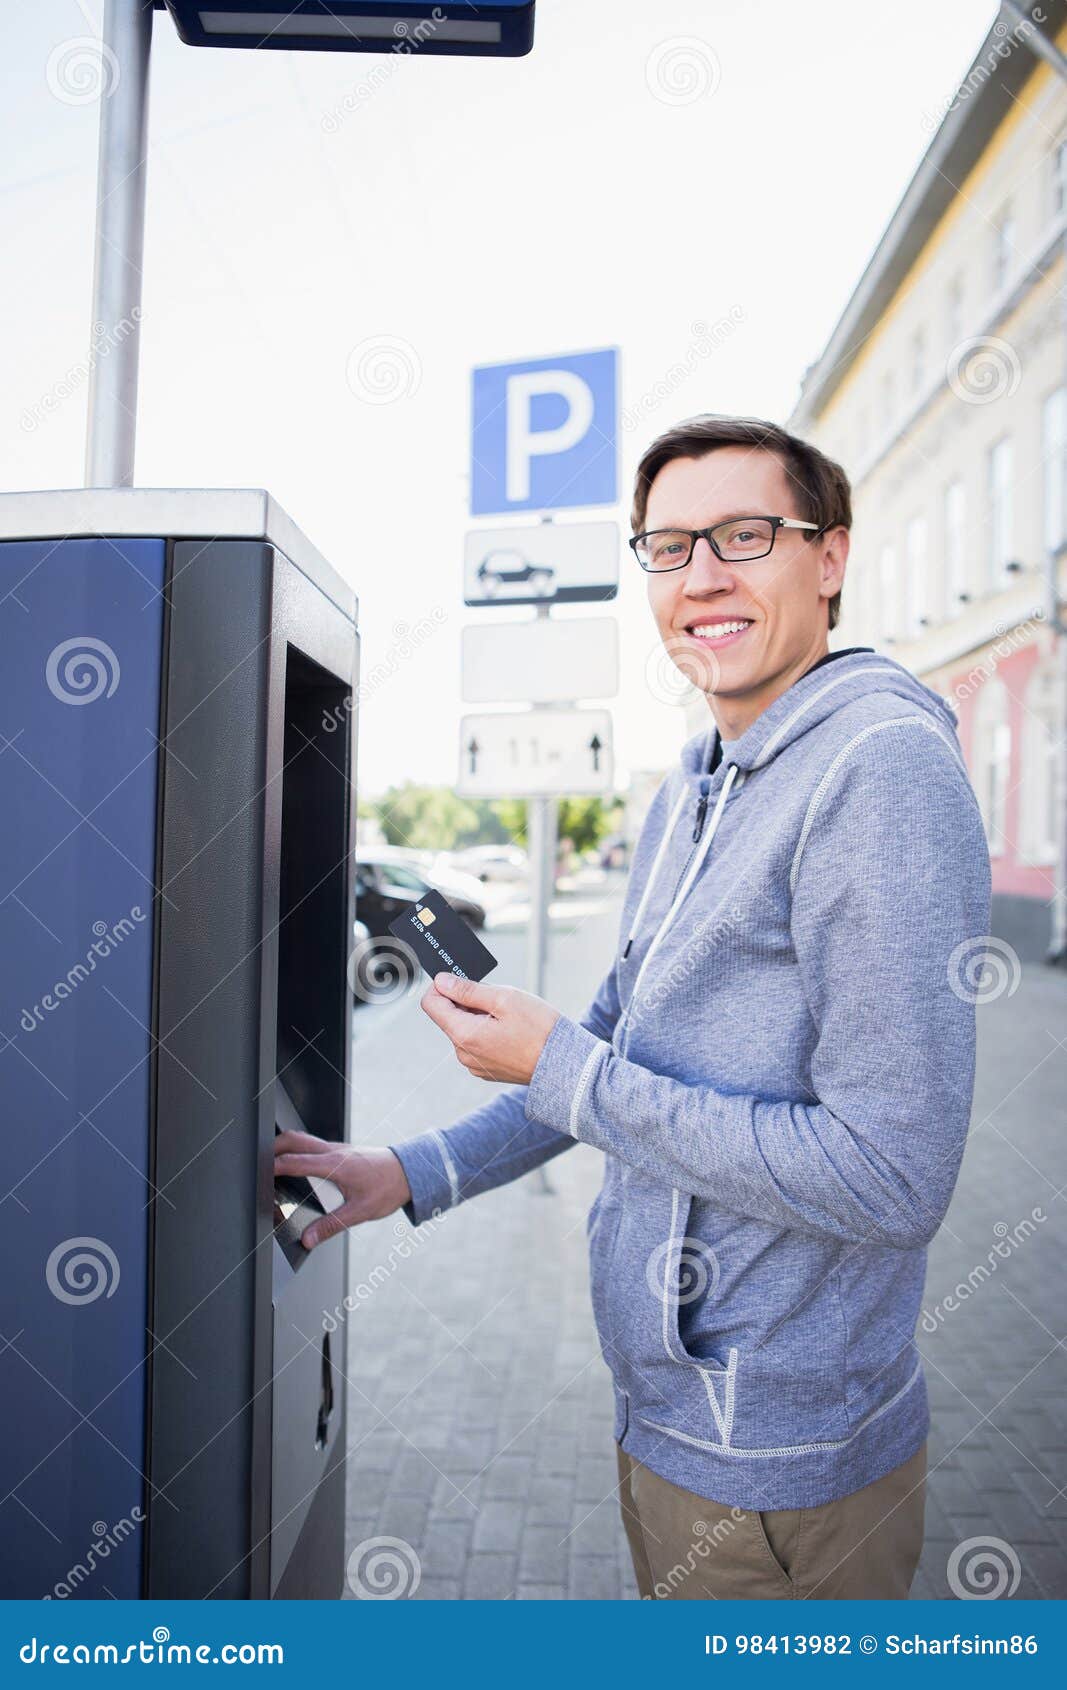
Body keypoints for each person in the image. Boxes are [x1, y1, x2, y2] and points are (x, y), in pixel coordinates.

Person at [275, 415, 992, 1600]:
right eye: (667, 546)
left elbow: (891, 1177)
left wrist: (565, 1068)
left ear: (829, 559)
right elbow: (603, 1053)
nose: (700, 575)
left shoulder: (878, 771)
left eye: (745, 535)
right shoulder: (690, 783)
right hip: (667, 1426)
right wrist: (409, 1171)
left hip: (783, 1474)